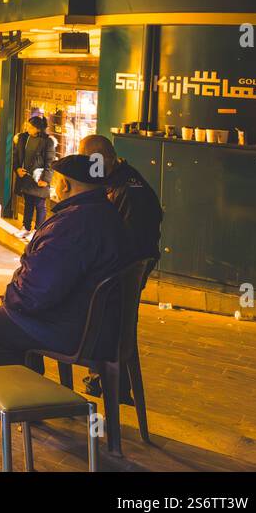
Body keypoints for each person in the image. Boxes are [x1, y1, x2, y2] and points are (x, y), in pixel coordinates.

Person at [0, 154, 129, 369]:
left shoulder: (73, 224)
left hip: (73, 330)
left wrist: (10, 299)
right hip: (97, 324)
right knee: (10, 316)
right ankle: (30, 379)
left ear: (64, 185)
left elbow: (36, 292)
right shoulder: (107, 212)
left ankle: (27, 387)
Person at [78, 133, 164, 400]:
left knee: (101, 312)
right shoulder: (120, 179)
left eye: (89, 161)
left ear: (102, 159)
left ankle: (108, 380)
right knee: (116, 318)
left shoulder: (125, 189)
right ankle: (109, 381)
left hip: (126, 268)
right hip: (131, 265)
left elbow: (122, 239)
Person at [14, 116, 56, 240]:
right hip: (26, 177)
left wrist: (46, 179)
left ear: (38, 129)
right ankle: (26, 228)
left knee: (40, 205)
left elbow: (50, 162)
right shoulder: (23, 138)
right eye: (27, 126)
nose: (28, 129)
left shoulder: (47, 142)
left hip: (39, 179)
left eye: (31, 127)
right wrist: (17, 169)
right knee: (28, 203)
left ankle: (38, 231)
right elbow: (16, 156)